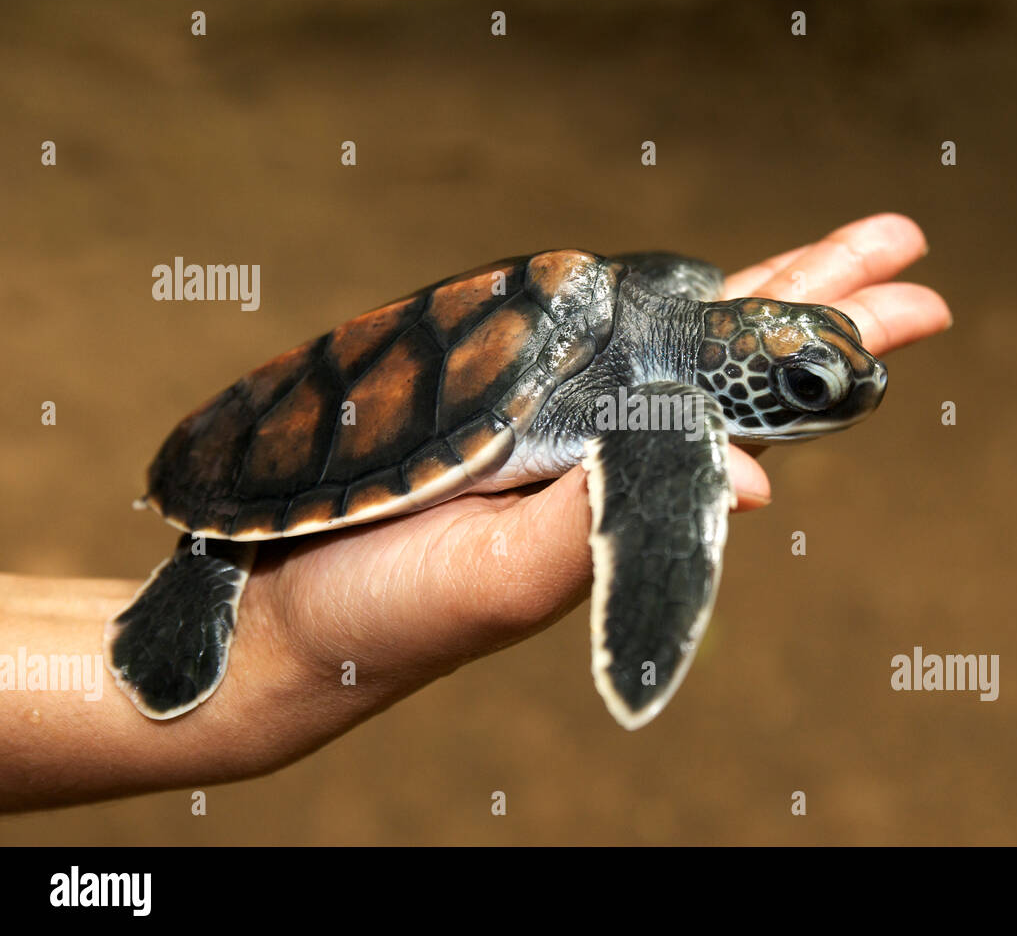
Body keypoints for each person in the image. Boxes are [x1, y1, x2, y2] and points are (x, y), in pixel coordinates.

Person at [0, 214, 951, 812]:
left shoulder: (660, 308)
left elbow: (667, 296)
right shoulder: (655, 407)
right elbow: (668, 422)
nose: (851, 392)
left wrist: (278, 650)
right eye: (805, 384)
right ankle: (216, 550)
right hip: (273, 456)